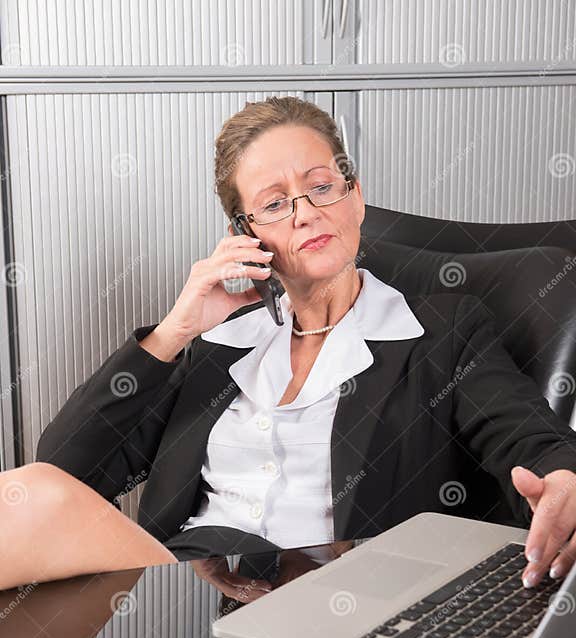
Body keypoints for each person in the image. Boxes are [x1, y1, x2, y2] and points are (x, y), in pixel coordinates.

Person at [2, 95, 576, 591]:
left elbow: (531, 439)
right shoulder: (218, 341)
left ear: (356, 197)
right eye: (275, 203)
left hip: (350, 610)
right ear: (244, 235)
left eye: (322, 187)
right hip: (190, 600)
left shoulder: (441, 330)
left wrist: (564, 478)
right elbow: (61, 479)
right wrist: (174, 330)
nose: (305, 214)